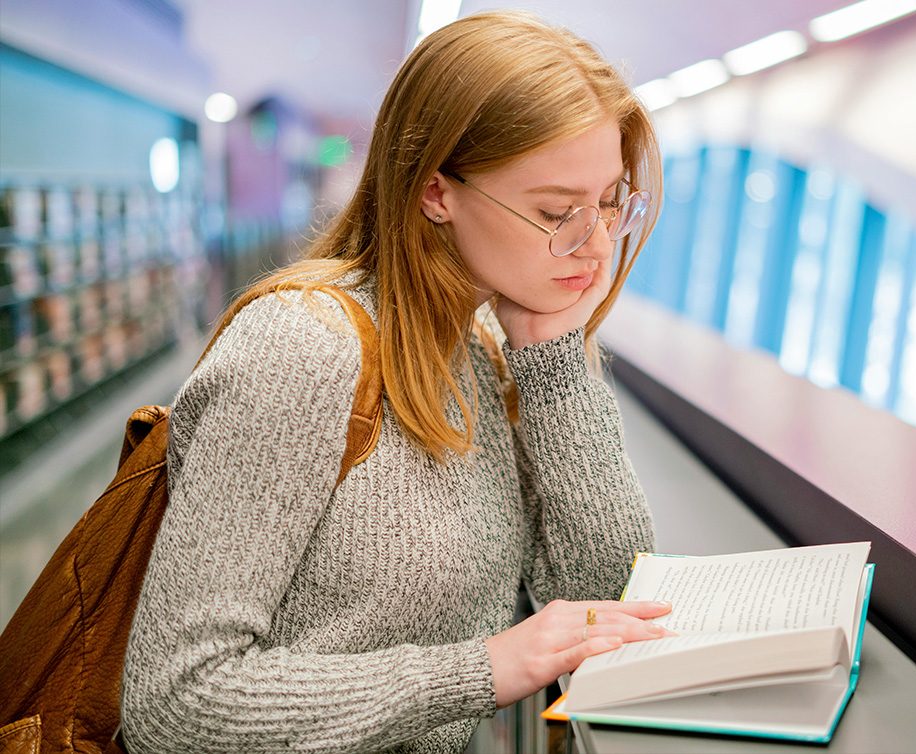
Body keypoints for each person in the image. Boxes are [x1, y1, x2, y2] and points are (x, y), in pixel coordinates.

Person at [120, 10, 670, 754]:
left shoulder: (478, 345)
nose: (596, 246)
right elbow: (176, 701)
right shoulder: (302, 349)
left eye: (609, 202)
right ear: (435, 191)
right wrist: (478, 671)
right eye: (555, 212)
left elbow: (605, 593)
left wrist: (552, 359)